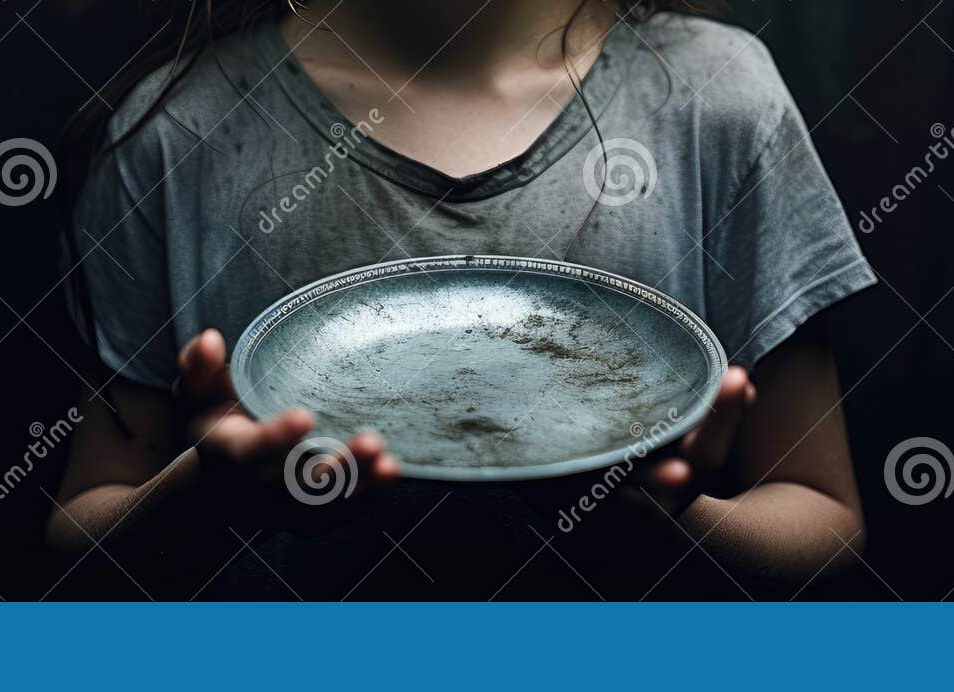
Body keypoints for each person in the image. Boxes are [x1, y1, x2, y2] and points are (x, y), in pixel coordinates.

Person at [48, 0, 875, 599]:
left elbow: (823, 518)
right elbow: (76, 547)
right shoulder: (174, 137)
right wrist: (205, 501)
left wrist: (660, 535)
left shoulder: (717, 101)